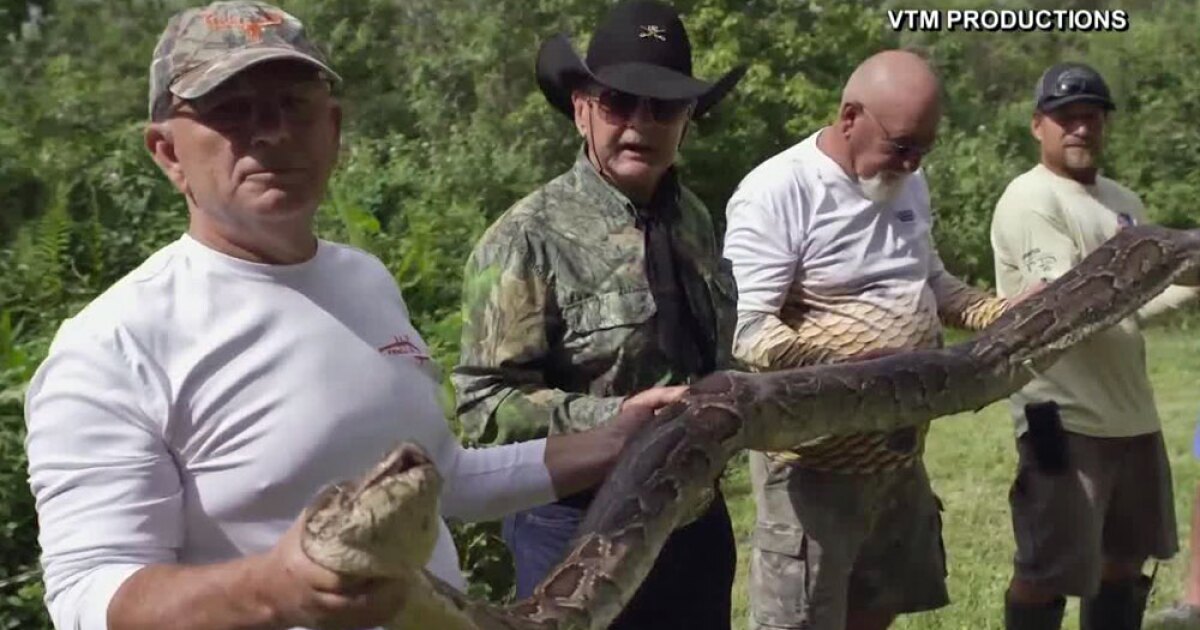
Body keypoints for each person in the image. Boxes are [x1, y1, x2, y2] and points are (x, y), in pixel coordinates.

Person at [22, 3, 670, 629]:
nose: (271, 131)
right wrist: (275, 592)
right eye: (232, 112)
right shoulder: (115, 345)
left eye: (292, 106)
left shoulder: (364, 279)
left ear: (331, 129)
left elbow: (446, 480)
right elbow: (88, 598)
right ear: (167, 152)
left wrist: (612, 440)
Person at [722, 49, 1039, 630]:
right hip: (813, 464)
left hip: (897, 454)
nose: (913, 163)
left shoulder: (905, 182)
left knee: (880, 604)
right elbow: (749, 330)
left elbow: (934, 284)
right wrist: (849, 368)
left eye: (925, 148)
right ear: (849, 117)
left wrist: (1001, 312)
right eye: (901, 145)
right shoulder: (776, 191)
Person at [451, 1, 745, 627]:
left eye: (663, 106)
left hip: (693, 522)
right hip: (577, 531)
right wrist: (614, 421)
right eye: (619, 101)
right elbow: (485, 407)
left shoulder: (693, 219)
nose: (640, 122)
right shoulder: (526, 239)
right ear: (582, 107)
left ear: (687, 118)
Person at [990, 61, 1200, 630]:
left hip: (1132, 414)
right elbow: (1074, 305)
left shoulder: (1122, 200)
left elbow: (1142, 299)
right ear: (1039, 126)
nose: (1081, 127)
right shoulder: (1030, 198)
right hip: (1063, 417)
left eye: (1092, 115)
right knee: (1047, 572)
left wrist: (1184, 286)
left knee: (1125, 564)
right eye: (1066, 117)